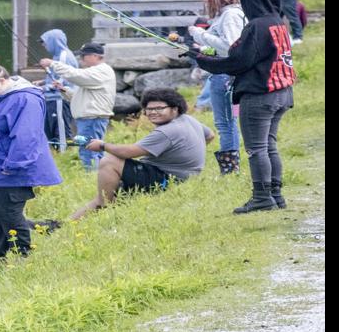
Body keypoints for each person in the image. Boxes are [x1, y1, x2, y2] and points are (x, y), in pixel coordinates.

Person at [194, 0, 293, 213]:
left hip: (260, 94)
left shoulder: (256, 26)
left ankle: (261, 197)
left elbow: (239, 62)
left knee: (256, 148)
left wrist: (203, 60)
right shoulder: (278, 22)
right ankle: (275, 195)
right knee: (269, 146)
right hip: (282, 92)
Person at [0, 60, 63, 264]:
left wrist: (14, 165)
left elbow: (26, 137)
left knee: (8, 214)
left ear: (1, 80)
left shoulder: (25, 99)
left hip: (10, 171)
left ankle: (23, 258)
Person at [67, 88, 211, 221]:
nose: (153, 112)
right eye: (149, 109)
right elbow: (210, 136)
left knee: (110, 161)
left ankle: (104, 203)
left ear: (175, 109)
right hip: (187, 175)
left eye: (159, 108)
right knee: (118, 184)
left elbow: (129, 152)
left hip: (170, 179)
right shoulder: (188, 120)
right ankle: (67, 224)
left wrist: (102, 145)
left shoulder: (166, 132)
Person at [191, 0, 246, 175]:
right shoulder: (229, 14)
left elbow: (231, 47)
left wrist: (199, 35)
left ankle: (230, 169)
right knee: (228, 121)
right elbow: (225, 47)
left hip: (224, 75)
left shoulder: (230, 15)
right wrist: (204, 49)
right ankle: (231, 166)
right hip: (225, 73)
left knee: (225, 122)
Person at [41, 42, 115, 172]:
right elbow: (80, 96)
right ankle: (97, 177)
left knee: (89, 151)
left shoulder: (102, 71)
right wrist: (64, 90)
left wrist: (53, 64)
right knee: (89, 150)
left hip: (92, 119)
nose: (81, 59)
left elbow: (75, 75)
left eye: (83, 56)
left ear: (95, 56)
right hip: (89, 119)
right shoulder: (95, 73)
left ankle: (93, 179)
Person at [39, 30, 79, 147]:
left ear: (53, 42)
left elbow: (61, 83)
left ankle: (64, 155)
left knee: (61, 132)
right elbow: (55, 77)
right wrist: (41, 82)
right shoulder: (57, 55)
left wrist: (43, 88)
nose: (44, 46)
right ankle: (56, 155)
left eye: (45, 43)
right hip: (53, 99)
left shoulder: (63, 56)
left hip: (59, 99)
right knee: (51, 131)